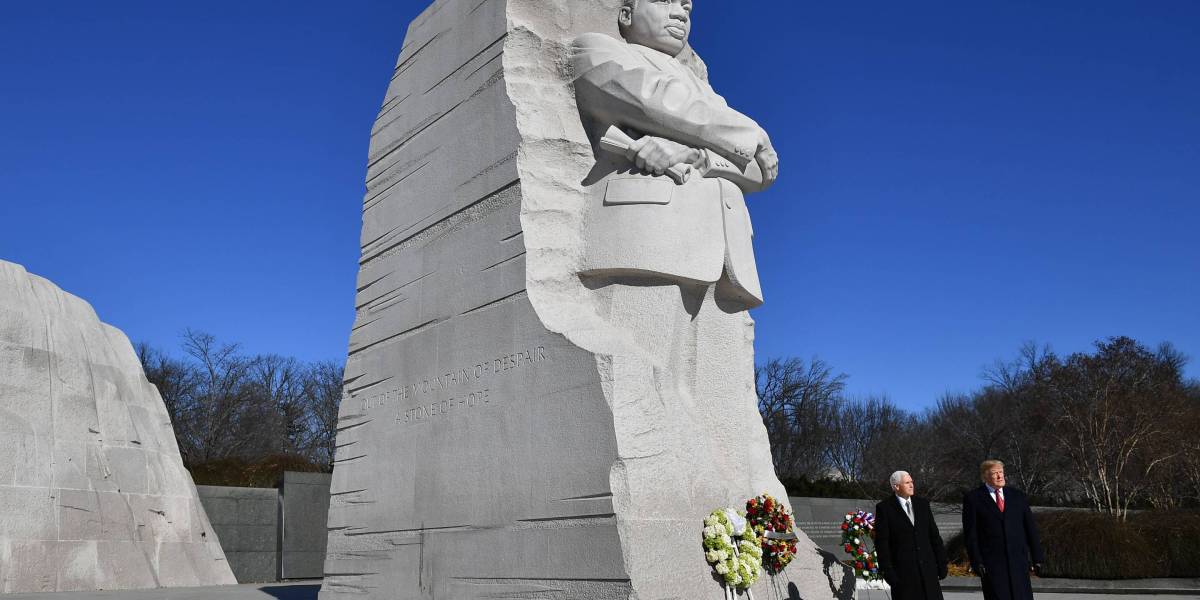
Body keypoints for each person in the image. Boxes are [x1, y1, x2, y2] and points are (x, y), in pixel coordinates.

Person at [569, 0, 779, 310]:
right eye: (664, 1)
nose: (681, 13)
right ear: (626, 14)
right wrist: (752, 132)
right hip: (645, 238)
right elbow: (654, 100)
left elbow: (762, 171)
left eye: (687, 8)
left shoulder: (707, 94)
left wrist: (695, 154)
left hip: (727, 263)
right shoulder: (596, 50)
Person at [962, 460, 1045, 600]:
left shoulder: (1018, 496)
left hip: (1018, 561)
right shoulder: (973, 498)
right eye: (995, 473)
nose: (1000, 476)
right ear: (985, 476)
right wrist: (977, 561)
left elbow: (1030, 529)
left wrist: (1037, 558)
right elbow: (971, 534)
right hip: (993, 564)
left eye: (1001, 472)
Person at [875, 471, 948, 600]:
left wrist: (942, 563)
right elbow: (882, 544)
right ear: (896, 486)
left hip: (928, 574)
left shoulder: (923, 504)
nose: (911, 485)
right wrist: (889, 573)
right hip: (903, 577)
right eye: (907, 483)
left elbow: (934, 537)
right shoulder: (884, 508)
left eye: (912, 482)